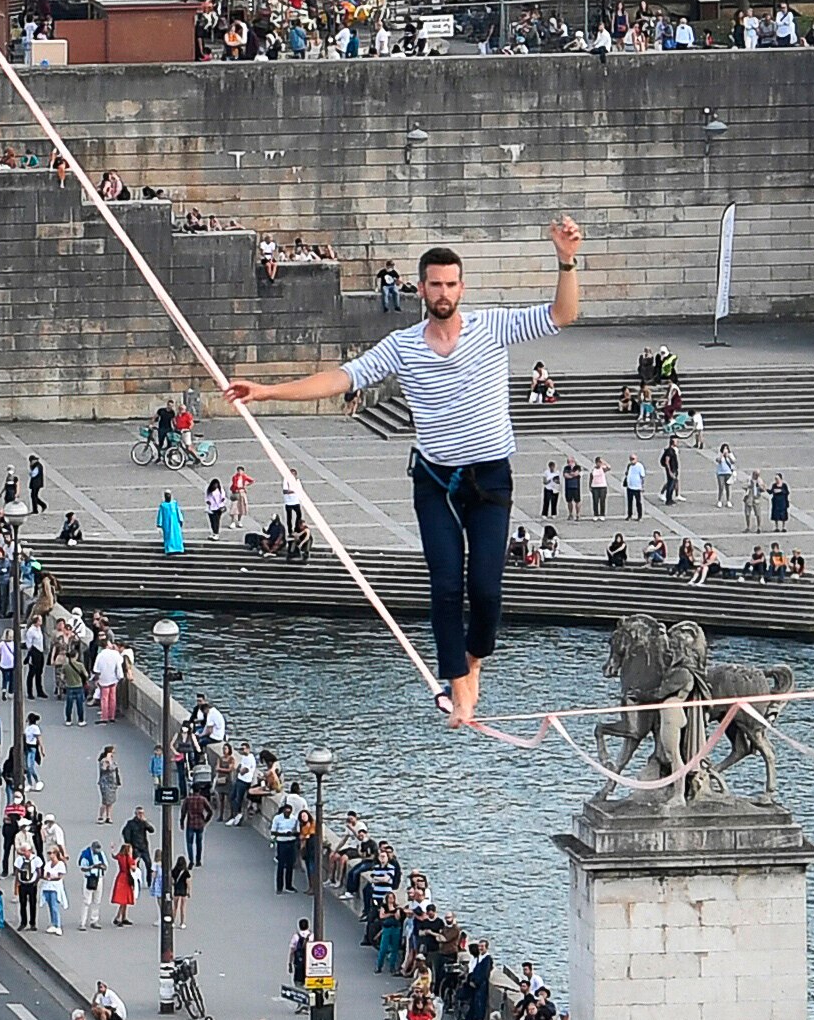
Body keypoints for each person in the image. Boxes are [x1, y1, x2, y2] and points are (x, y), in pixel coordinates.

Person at [224, 217, 583, 726]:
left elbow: (561, 315)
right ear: (421, 289)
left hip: (490, 479)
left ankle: (473, 665)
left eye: (451, 283)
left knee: (486, 589)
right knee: (443, 587)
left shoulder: (492, 328)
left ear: (462, 288)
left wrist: (565, 259)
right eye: (434, 284)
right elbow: (342, 377)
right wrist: (266, 391)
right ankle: (458, 688)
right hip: (435, 481)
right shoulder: (403, 346)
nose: (443, 292)